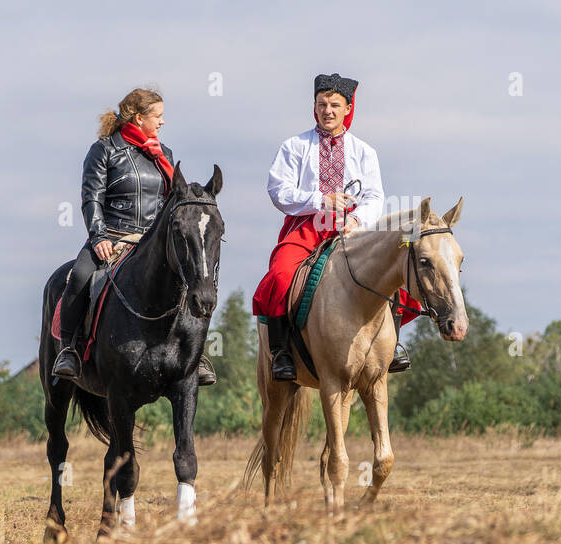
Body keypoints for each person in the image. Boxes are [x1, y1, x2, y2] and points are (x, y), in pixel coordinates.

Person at [252, 72, 416, 381]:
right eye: (322, 104)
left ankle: (391, 343)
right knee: (280, 275)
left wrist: (357, 218)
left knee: (395, 271)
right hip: (306, 227)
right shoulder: (293, 146)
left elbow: (374, 195)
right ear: (314, 108)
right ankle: (281, 352)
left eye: (335, 105)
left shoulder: (365, 151)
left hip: (354, 231)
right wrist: (320, 200)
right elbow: (278, 191)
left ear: (348, 109)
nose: (328, 110)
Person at [53, 87, 216, 384]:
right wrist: (99, 236)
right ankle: (68, 350)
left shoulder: (163, 154)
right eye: (159, 116)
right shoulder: (103, 150)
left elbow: (171, 201)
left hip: (150, 242)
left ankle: (196, 353)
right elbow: (91, 199)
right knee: (77, 276)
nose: (163, 122)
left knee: (194, 276)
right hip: (112, 237)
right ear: (140, 118)